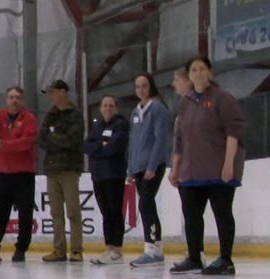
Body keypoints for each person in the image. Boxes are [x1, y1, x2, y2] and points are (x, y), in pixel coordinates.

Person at [169, 56, 247, 276]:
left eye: (202, 69)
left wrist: (228, 164)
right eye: (194, 70)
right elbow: (179, 139)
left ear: (210, 73)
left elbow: (233, 132)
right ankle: (194, 256)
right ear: (189, 75)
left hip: (217, 168)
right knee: (191, 214)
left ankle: (225, 259)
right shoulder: (186, 103)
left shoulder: (222, 98)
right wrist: (176, 167)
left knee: (222, 213)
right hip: (191, 171)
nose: (198, 73)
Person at [0, 86, 39, 263]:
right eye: (11, 97)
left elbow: (25, 143)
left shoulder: (30, 119)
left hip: (24, 173)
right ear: (6, 99)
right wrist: (1, 141)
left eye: (17, 97)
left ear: (22, 100)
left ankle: (21, 249)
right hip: (2, 173)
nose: (14, 100)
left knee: (25, 214)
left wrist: (3, 144)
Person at [37, 79, 85, 262]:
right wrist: (57, 138)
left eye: (52, 92)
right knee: (56, 212)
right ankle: (59, 249)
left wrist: (53, 138)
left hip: (69, 168)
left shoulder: (75, 115)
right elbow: (42, 140)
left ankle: (76, 249)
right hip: (52, 168)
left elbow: (73, 140)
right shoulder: (50, 115)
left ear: (62, 92)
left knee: (73, 211)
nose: (49, 96)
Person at [127, 73, 171, 268]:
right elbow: (133, 141)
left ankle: (151, 248)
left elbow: (161, 139)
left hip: (153, 165)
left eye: (144, 85)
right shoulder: (135, 112)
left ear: (151, 86)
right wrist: (130, 168)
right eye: (137, 86)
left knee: (145, 204)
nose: (141, 90)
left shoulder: (157, 108)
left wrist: (152, 166)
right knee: (148, 204)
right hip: (138, 166)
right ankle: (157, 249)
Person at [83, 95, 129, 264]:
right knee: (105, 212)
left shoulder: (121, 124)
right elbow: (85, 146)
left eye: (111, 105)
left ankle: (117, 249)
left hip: (114, 174)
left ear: (116, 108)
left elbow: (114, 147)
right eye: (105, 105)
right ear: (100, 108)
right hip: (98, 175)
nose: (108, 108)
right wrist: (100, 145)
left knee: (114, 211)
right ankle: (108, 247)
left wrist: (98, 149)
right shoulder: (97, 126)